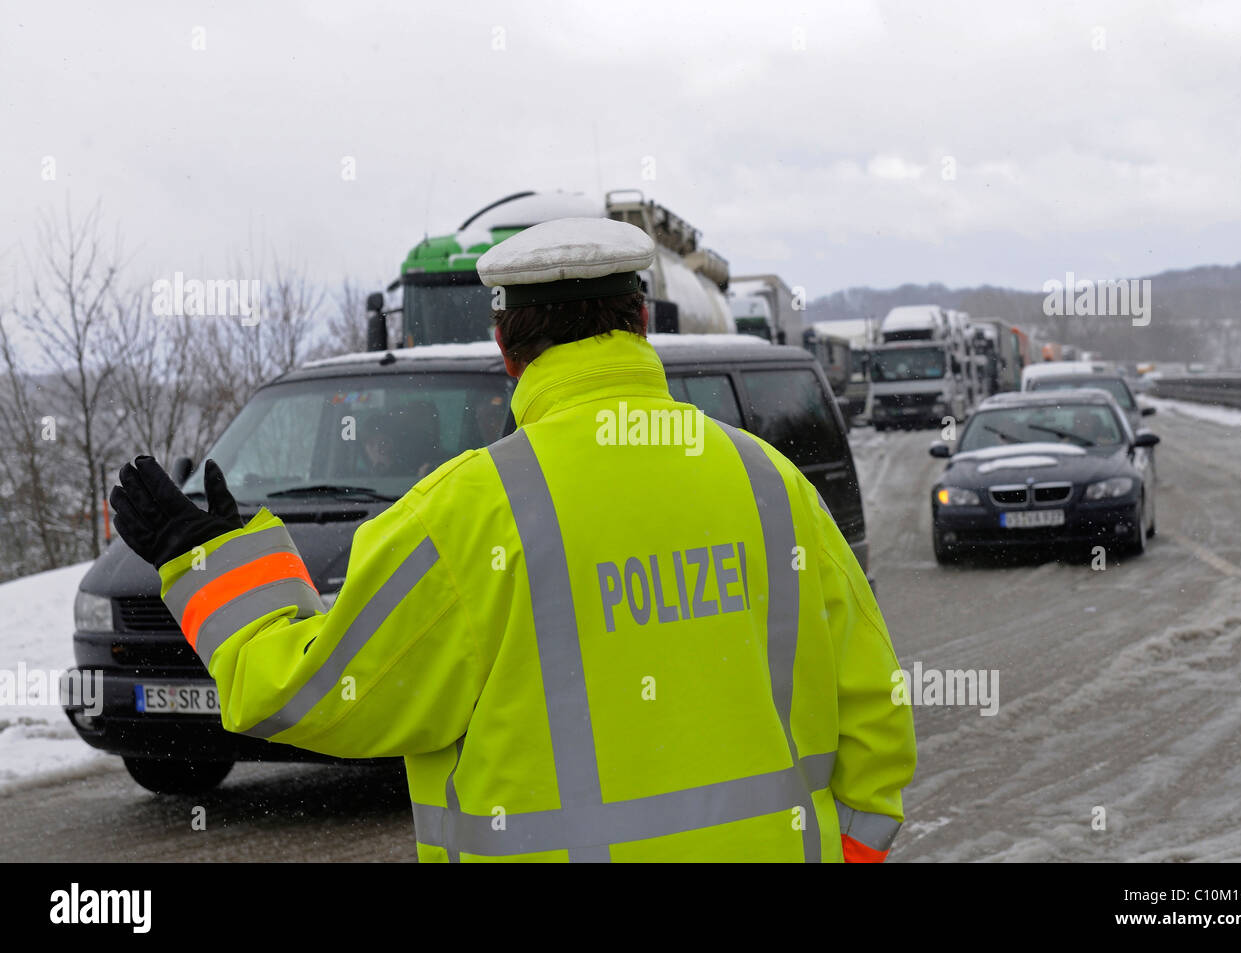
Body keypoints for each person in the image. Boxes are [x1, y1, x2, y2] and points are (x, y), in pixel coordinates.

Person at [109, 217, 916, 863]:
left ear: (506, 348)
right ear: (641, 321)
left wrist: (211, 561)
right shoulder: (770, 483)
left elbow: (309, 692)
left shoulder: (463, 514)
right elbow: (873, 703)